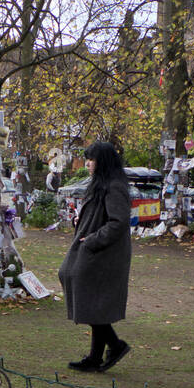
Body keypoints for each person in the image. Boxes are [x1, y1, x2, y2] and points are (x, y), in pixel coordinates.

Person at [58, 142, 132, 372]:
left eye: (92, 159)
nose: (88, 164)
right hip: (95, 250)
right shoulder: (101, 184)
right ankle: (96, 356)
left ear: (104, 162)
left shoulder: (114, 186)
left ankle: (114, 346)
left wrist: (92, 239)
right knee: (88, 296)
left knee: (89, 296)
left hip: (104, 254)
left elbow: (117, 223)